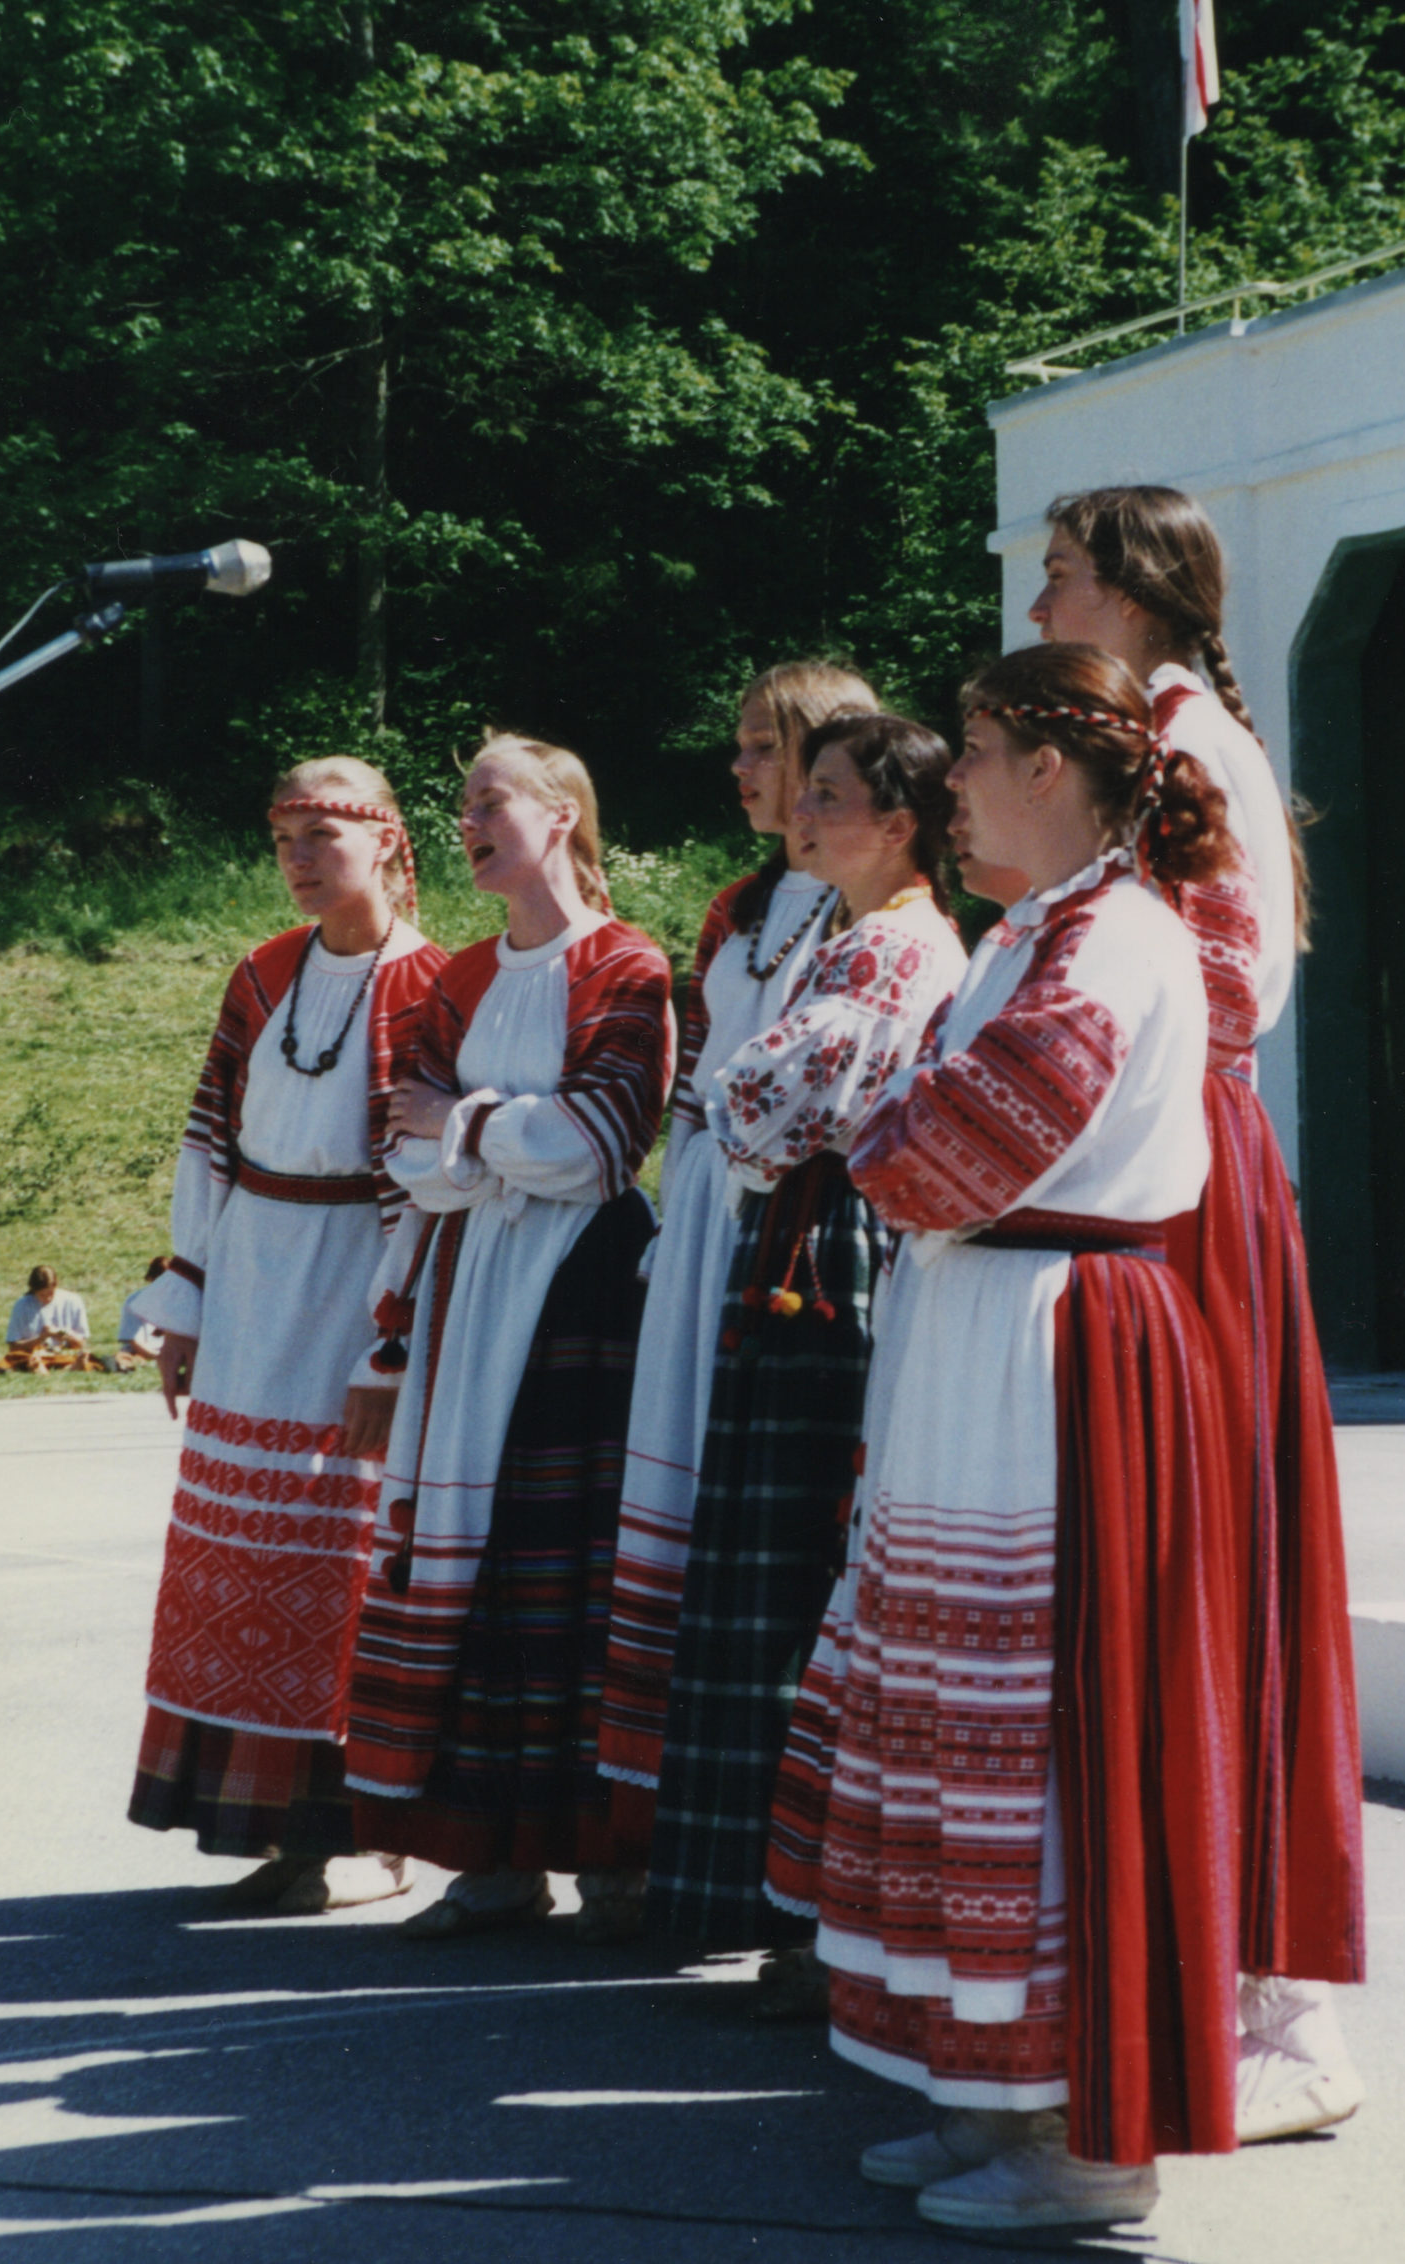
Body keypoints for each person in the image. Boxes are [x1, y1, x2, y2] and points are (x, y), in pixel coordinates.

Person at [815, 645, 1241, 2242]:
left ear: (1052, 768)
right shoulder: (1036, 931)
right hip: (985, 1325)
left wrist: (883, 1125)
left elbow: (959, 1137)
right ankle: (991, 2090)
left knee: (1043, 1717)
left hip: (1057, 1336)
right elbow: (920, 1123)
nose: (956, 780)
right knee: (952, 1701)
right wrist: (894, 1124)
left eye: (979, 749)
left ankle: (1083, 2135)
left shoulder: (1118, 936)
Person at [1029, 483, 1365, 2145]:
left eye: (1061, 576)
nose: (1040, 604)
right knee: (1170, 1563)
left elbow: (1229, 983)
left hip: (1183, 1166)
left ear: (1139, 593)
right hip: (1162, 1148)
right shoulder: (1159, 734)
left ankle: (1279, 2009)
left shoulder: (1182, 746)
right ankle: (1181, 1974)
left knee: (1213, 1560)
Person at [340, 732, 674, 1942]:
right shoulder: (463, 974)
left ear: (561, 814)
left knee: (570, 1561)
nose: (468, 821)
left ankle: (610, 1860)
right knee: (474, 1560)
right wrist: (492, 1139)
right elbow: (399, 1143)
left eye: (491, 800)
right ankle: (491, 1858)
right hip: (472, 1289)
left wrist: (466, 1130)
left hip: (581, 1293)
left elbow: (599, 1146)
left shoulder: (627, 965)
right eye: (463, 802)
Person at [643, 714, 968, 1957]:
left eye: (829, 794)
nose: (802, 812)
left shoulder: (888, 943)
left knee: (784, 1562)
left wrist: (741, 1102)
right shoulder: (862, 935)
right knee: (777, 1557)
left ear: (897, 825)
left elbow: (764, 1099)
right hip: (808, 1229)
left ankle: (786, 1903)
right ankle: (778, 1899)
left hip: (825, 1245)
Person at [128, 759, 446, 1913]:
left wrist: (390, 1343)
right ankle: (274, 1829)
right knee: (250, 1561)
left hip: (353, 1284)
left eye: (322, 835)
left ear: (388, 840)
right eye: (282, 840)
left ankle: (373, 1836)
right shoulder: (263, 971)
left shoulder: (434, 984)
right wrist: (188, 1296)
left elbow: (427, 1190)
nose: (298, 860)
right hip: (255, 1284)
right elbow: (210, 1133)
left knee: (346, 1556)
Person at [597, 659, 876, 1883]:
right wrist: (676, 1213)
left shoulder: (871, 910)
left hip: (801, 1211)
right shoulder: (735, 907)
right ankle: (668, 1828)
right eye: (744, 746)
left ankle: (780, 1843)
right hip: (712, 1199)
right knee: (689, 1489)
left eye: (767, 746)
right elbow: (695, 1070)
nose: (743, 768)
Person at [6, 1267, 91, 1350]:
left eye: (51, 1293)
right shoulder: (22, 1305)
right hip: (32, 1356)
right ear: (34, 1291)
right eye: (42, 1295)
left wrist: (62, 1333)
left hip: (66, 1355)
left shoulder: (73, 1301)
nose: (47, 1298)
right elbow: (13, 1346)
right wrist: (41, 1338)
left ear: (56, 1286)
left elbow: (82, 1344)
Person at [118, 1257, 171, 1360]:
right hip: (140, 1351)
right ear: (151, 1279)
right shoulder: (135, 1301)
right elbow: (132, 1340)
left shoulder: (183, 1300)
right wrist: (156, 1357)